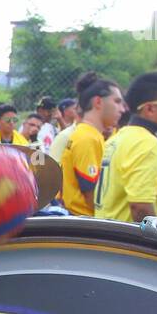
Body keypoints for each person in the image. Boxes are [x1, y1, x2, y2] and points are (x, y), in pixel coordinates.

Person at [94, 73, 157, 223]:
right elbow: (140, 208)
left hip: (109, 237)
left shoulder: (119, 138)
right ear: (150, 109)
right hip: (128, 243)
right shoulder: (145, 143)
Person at [60, 74, 124, 216]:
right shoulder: (87, 138)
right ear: (98, 102)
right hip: (84, 224)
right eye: (117, 101)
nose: (122, 109)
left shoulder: (90, 134)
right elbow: (92, 194)